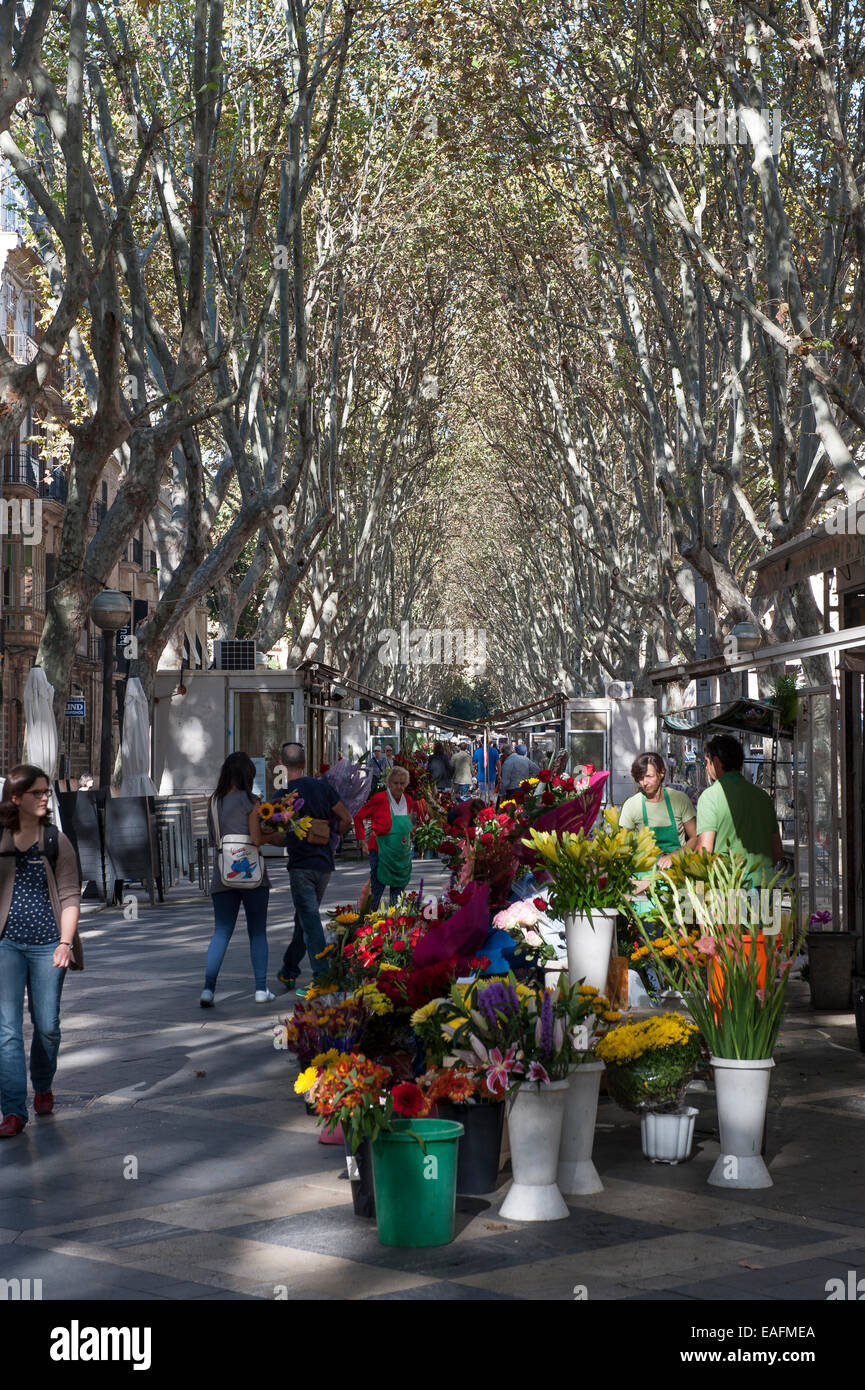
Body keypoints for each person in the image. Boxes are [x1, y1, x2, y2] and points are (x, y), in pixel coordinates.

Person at [0, 764, 81, 1138]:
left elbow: (69, 895)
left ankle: (43, 1085)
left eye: (47, 791)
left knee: (47, 1026)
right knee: (8, 1031)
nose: (46, 797)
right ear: (16, 798)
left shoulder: (55, 841)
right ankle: (14, 1111)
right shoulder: (0, 839)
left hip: (50, 944)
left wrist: (66, 943)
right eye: (38, 792)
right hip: (7, 945)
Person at [203, 752, 280, 1007]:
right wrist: (277, 833)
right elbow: (257, 840)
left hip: (223, 874)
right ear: (248, 775)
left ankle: (208, 990)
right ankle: (260, 989)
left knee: (221, 932)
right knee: (257, 932)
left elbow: (215, 837)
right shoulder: (252, 802)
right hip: (254, 877)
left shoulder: (214, 802)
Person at [275, 743, 352, 992]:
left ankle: (322, 976)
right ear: (305, 764)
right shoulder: (323, 788)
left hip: (300, 865)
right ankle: (289, 970)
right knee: (304, 920)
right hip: (324, 864)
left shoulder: (284, 793)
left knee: (309, 921)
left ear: (281, 764)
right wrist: (331, 837)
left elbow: (273, 830)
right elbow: (347, 819)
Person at [696, 734, 783, 887]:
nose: (706, 767)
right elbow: (777, 851)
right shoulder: (762, 797)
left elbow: (705, 851)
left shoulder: (709, 797)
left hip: (729, 887)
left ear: (715, 762)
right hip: (765, 885)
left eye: (707, 762)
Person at [354, 765, 423, 912]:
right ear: (389, 783)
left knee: (398, 895)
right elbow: (359, 817)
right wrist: (362, 841)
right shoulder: (379, 799)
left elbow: (410, 822)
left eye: (402, 783)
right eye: (396, 783)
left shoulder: (408, 800)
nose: (399, 787)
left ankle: (393, 926)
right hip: (380, 852)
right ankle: (367, 923)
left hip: (401, 856)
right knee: (376, 890)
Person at [620, 752, 698, 871]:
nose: (644, 783)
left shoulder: (679, 799)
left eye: (649, 776)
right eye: (640, 778)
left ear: (661, 773)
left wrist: (674, 856)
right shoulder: (632, 805)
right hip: (643, 873)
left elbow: (695, 838)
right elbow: (621, 845)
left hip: (678, 870)